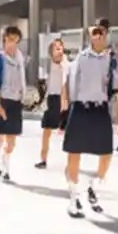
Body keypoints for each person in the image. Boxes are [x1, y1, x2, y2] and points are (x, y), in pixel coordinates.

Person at [62, 24, 118, 218]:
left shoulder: (112, 59)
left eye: (101, 33)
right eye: (94, 33)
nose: (98, 36)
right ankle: (73, 198)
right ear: (90, 36)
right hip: (81, 108)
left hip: (100, 109)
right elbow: (71, 83)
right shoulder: (81, 58)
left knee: (107, 153)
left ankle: (93, 187)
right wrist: (67, 111)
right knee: (73, 152)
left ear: (107, 36)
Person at [0, 25, 26, 181]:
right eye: (11, 39)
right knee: (0, 139)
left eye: (16, 40)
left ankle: (6, 169)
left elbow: (22, 78)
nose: (13, 43)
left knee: (11, 141)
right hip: (3, 99)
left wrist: (23, 96)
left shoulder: (19, 56)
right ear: (5, 38)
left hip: (16, 101)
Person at [36, 38, 70, 169]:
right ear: (51, 51)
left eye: (61, 46)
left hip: (64, 99)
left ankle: (72, 161)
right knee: (47, 131)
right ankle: (43, 160)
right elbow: (42, 83)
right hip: (52, 99)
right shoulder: (47, 65)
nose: (59, 49)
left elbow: (67, 82)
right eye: (56, 47)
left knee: (69, 132)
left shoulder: (66, 64)